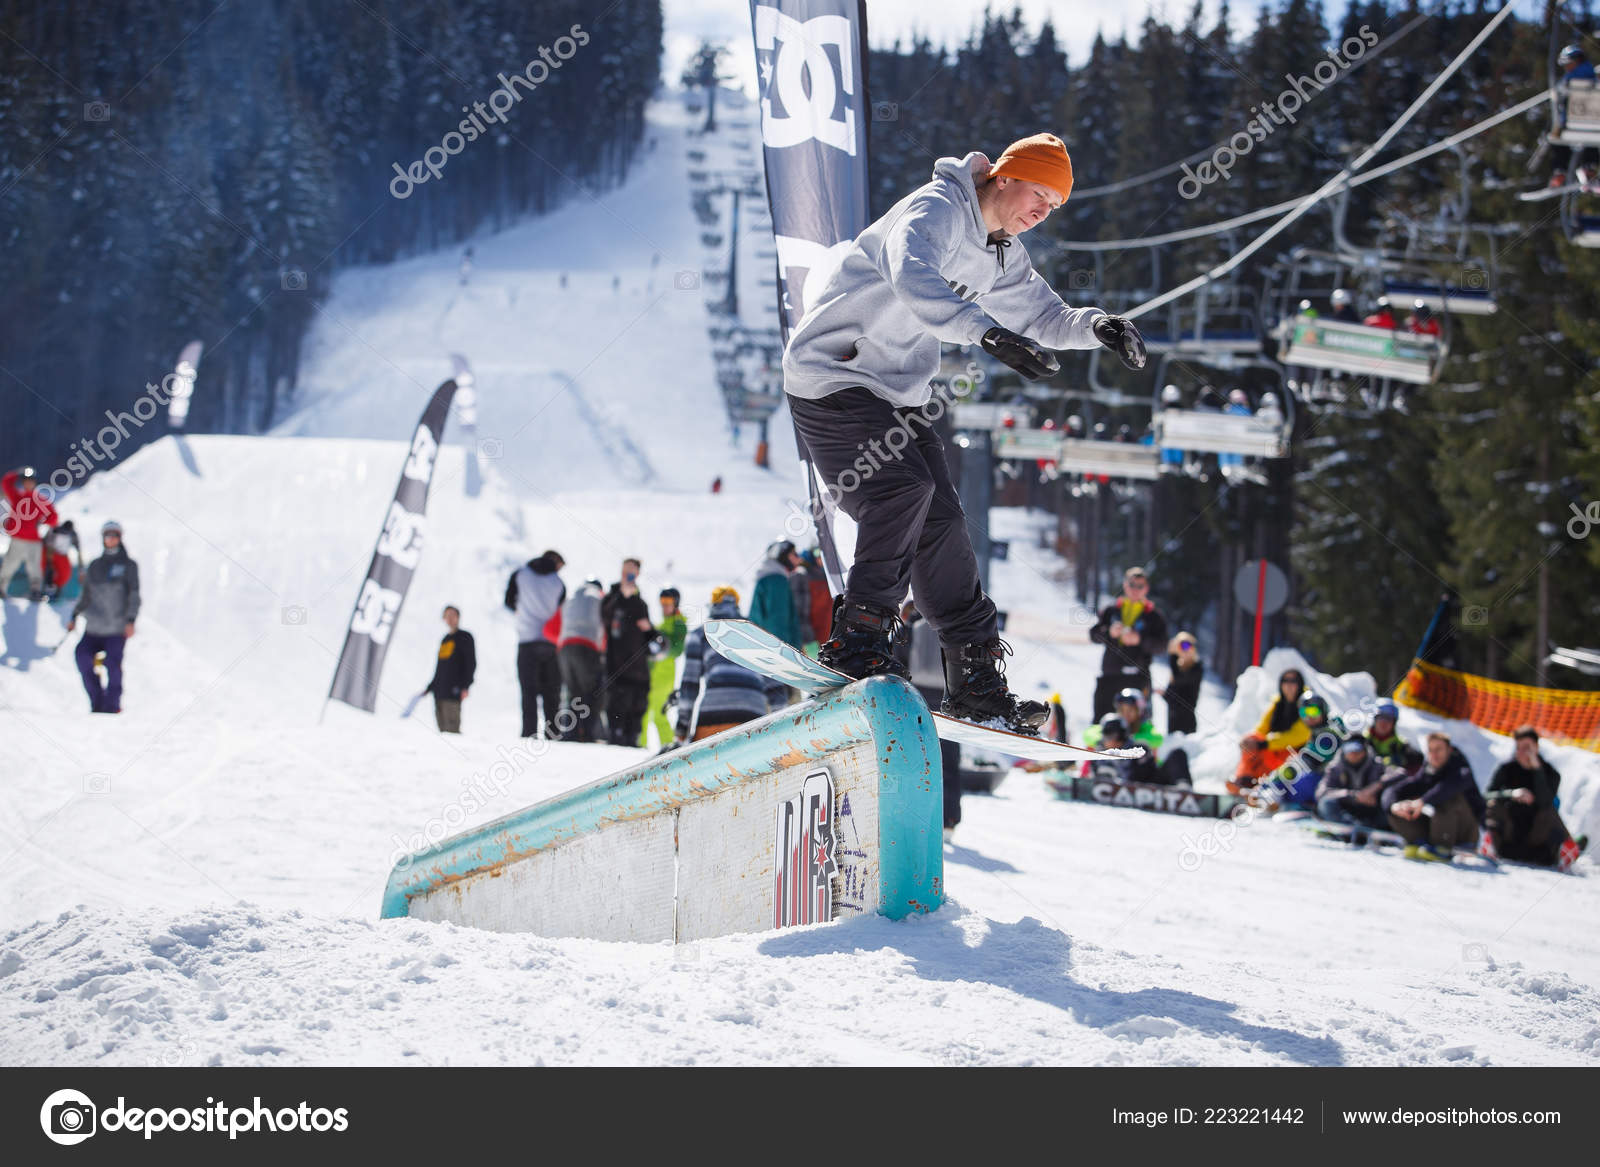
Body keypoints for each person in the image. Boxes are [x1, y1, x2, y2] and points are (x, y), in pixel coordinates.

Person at [783, 131, 1145, 732]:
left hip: (898, 392)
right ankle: (859, 639)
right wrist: (985, 332)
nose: (1043, 211)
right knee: (902, 491)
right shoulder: (938, 209)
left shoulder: (1002, 253)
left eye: (1054, 205)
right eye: (1039, 194)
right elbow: (910, 274)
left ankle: (975, 678)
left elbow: (1044, 314)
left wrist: (1097, 327)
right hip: (832, 374)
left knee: (944, 522)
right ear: (1006, 176)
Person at [675, 587, 787, 741]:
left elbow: (689, 685)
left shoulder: (701, 634)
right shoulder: (756, 632)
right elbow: (774, 682)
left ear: (713, 604)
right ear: (736, 604)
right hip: (753, 714)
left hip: (713, 715)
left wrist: (682, 726)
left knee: (709, 755)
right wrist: (781, 723)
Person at [896, 600, 964, 839]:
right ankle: (949, 820)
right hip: (948, 700)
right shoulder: (953, 627)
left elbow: (897, 662)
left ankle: (914, 816)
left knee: (915, 760)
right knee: (949, 762)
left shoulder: (909, 628)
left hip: (917, 698)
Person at [1484, 726, 1584, 870]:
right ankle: (1491, 844)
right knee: (1493, 804)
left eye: (1526, 748)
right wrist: (1511, 794)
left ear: (1536, 748)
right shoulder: (1507, 769)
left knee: (1549, 809)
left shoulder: (1551, 773)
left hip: (1537, 841)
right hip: (1508, 837)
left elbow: (1546, 801)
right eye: (1519, 748)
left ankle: (1564, 850)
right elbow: (1487, 795)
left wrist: (1537, 770)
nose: (1522, 752)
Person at [67, 520, 139, 713]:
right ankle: (97, 702)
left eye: (115, 535)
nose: (111, 539)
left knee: (113, 665)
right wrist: (74, 616)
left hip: (116, 627)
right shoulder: (95, 565)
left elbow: (134, 595)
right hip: (93, 627)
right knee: (82, 656)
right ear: (103, 538)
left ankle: (112, 706)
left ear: (120, 538)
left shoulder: (129, 566)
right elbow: (86, 595)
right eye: (108, 535)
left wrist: (131, 620)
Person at [1383, 732, 1485, 862]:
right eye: (1430, 750)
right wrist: (1394, 806)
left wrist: (1422, 801)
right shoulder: (1429, 770)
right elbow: (1399, 789)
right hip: (1439, 828)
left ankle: (1441, 847)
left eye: (1438, 749)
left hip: (1465, 832)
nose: (1434, 754)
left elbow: (1448, 787)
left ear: (1449, 750)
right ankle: (1418, 842)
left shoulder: (1462, 770)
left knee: (1446, 797)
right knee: (1399, 807)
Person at [1089, 566, 1168, 719]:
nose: (1135, 590)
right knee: (1102, 722)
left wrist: (1140, 640)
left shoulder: (1154, 616)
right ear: (1125, 585)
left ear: (1146, 588)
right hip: (1110, 676)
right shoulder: (1111, 610)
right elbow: (1093, 635)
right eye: (1132, 585)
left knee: (1138, 725)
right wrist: (1109, 633)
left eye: (1140, 586)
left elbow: (1162, 645)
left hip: (1138, 678)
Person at [505, 548, 566, 739]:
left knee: (528, 691)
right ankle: (553, 734)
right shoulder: (559, 583)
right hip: (550, 643)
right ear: (555, 561)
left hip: (527, 640)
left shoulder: (520, 575)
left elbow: (509, 602)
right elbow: (561, 611)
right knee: (552, 692)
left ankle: (529, 733)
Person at [601, 557, 654, 745]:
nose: (628, 574)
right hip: (616, 668)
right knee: (616, 709)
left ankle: (633, 740)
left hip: (638, 669)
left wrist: (650, 630)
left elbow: (650, 637)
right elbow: (604, 617)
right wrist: (621, 597)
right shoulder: (611, 598)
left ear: (637, 574)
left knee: (637, 709)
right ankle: (615, 737)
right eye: (626, 570)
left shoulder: (641, 604)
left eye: (632, 571)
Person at [1232, 667, 1309, 793]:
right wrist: (1250, 741)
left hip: (1295, 755)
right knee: (1251, 741)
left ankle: (1265, 787)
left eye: (1293, 681)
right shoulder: (1278, 704)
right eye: (1285, 681)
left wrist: (1265, 744)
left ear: (1299, 684)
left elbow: (1299, 736)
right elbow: (1261, 729)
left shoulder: (1306, 703)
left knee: (1262, 748)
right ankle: (1245, 780)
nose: (1289, 685)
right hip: (1276, 750)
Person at [557, 578, 606, 743]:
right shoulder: (600, 597)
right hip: (587, 646)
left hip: (564, 648)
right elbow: (606, 624)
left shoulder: (571, 598)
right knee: (592, 692)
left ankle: (570, 733)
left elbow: (551, 627)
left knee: (573, 693)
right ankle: (588, 734)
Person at [1314, 735, 1393, 832]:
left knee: (1390, 798)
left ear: (1365, 749)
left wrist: (1377, 786)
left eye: (1357, 748)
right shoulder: (1335, 768)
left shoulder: (1377, 764)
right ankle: (1349, 829)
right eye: (1348, 748)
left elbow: (1399, 773)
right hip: (1346, 810)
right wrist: (1353, 796)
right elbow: (1321, 792)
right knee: (1326, 803)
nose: (1353, 753)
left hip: (1372, 809)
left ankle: (1375, 828)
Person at [640, 586, 687, 747]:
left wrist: (663, 648)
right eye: (662, 601)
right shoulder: (661, 624)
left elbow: (677, 648)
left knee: (658, 715)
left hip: (665, 678)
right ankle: (640, 746)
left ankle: (669, 747)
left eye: (668, 601)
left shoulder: (678, 623)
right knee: (645, 712)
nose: (664, 605)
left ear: (676, 603)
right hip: (653, 676)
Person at [1, 466, 57, 600]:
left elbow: (53, 517)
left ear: (34, 483)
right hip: (18, 539)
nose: (28, 484)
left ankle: (35, 591)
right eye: (25, 481)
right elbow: (6, 483)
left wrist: (43, 521)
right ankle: (1, 588)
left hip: (33, 540)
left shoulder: (40, 500)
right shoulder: (17, 496)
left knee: (34, 567)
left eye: (30, 481)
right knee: (9, 564)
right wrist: (17, 473)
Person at [1550, 44, 1599, 188]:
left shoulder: (1570, 79)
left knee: (1556, 137)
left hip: (1571, 124)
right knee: (1591, 139)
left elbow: (1560, 95)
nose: (1566, 68)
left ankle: (1559, 172)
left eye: (1567, 64)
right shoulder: (1594, 78)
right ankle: (1589, 169)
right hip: (1595, 126)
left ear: (1575, 61)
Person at [423, 606, 475, 733]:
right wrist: (431, 686)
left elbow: (471, 663)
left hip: (453, 693)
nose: (450, 618)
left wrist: (466, 686)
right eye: (447, 616)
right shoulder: (445, 640)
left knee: (452, 733)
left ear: (458, 617)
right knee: (441, 733)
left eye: (453, 615)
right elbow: (440, 667)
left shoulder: (465, 637)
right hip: (439, 692)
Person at [749, 540, 801, 648]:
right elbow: (777, 622)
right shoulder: (777, 581)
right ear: (782, 555)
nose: (798, 558)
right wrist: (786, 650)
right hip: (778, 649)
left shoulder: (768, 578)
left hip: (764, 646)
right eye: (793, 554)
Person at [1079, 715, 1160, 784]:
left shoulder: (1138, 751)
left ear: (1122, 735)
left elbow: (1150, 780)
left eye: (1111, 735)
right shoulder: (1098, 753)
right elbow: (1092, 779)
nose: (1108, 740)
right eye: (1105, 735)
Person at [1162, 631, 1203, 735]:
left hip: (1187, 724)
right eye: (1180, 647)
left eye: (1187, 645)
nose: (1185, 650)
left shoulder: (1197, 668)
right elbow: (1169, 696)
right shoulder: (1177, 668)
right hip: (1172, 722)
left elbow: (1179, 679)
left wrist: (1172, 656)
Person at [1366, 699, 1423, 773]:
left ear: (1394, 723)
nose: (1384, 722)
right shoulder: (1362, 742)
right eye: (1381, 717)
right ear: (1375, 720)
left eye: (1388, 719)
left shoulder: (1402, 746)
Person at [797, 547, 833, 653]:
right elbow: (801, 609)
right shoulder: (803, 576)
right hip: (811, 636)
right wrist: (807, 634)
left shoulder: (828, 577)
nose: (821, 559)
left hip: (827, 632)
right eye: (818, 555)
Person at [42, 520, 80, 600]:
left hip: (62, 555)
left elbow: (78, 548)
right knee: (48, 570)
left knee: (65, 574)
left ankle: (56, 589)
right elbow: (47, 544)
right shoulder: (55, 530)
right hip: (50, 552)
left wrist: (81, 564)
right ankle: (48, 587)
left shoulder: (73, 535)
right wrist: (49, 562)